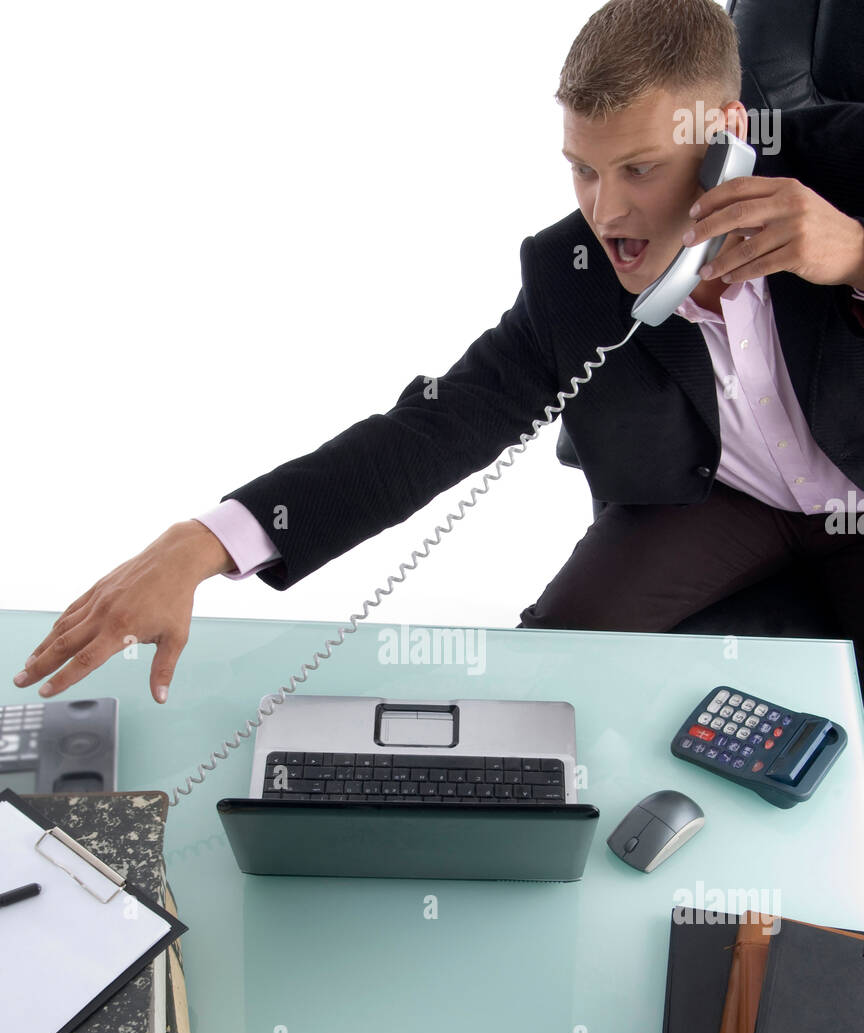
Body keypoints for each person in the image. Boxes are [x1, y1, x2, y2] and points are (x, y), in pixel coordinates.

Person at [13, 0, 864, 707]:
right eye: (583, 170)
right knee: (552, 676)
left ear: (726, 136)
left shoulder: (847, 164)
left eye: (640, 168)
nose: (606, 213)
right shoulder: (569, 275)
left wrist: (857, 258)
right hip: (721, 502)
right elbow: (436, 426)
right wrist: (201, 543)